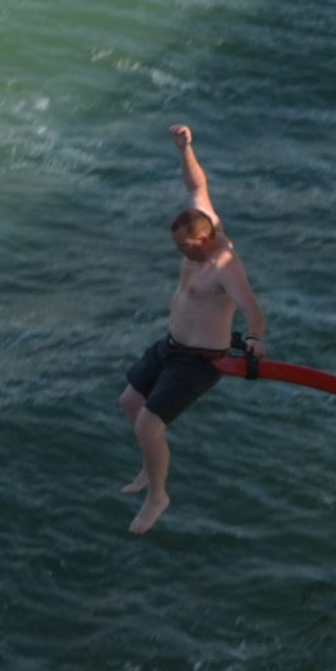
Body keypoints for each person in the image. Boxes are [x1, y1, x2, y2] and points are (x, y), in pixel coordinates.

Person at [118, 125, 266, 534]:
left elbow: (254, 312)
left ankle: (158, 496)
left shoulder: (225, 267)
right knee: (130, 403)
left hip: (200, 361)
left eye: (185, 248)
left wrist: (253, 340)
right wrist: (186, 148)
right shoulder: (205, 219)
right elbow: (196, 185)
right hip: (170, 346)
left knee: (150, 425)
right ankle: (151, 464)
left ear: (203, 241)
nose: (179, 253)